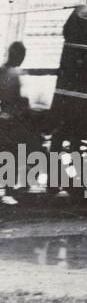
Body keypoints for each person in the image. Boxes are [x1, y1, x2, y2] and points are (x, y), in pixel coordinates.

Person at [0, 42, 34, 205]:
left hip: (7, 117)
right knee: (14, 154)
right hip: (11, 120)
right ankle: (10, 191)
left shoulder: (4, 71)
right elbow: (22, 100)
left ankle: (14, 188)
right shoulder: (15, 74)